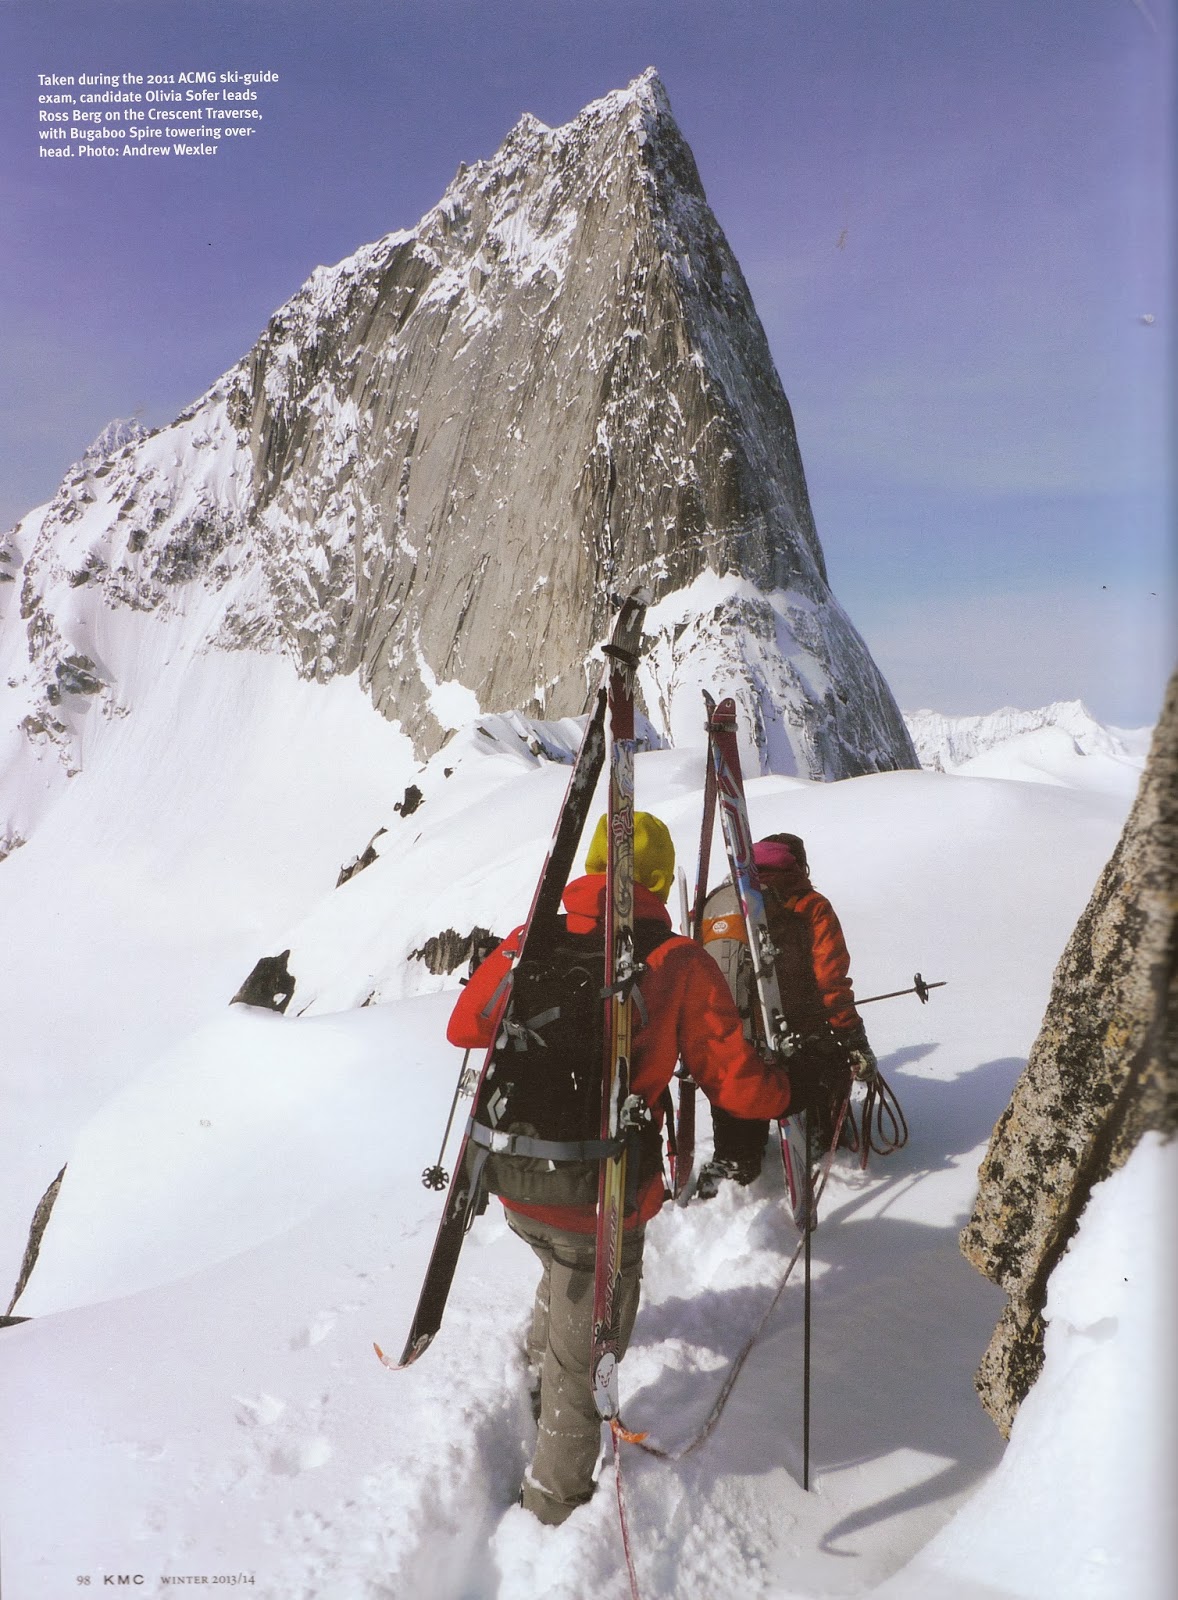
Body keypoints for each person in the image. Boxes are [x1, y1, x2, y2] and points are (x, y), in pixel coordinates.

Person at [446, 811, 795, 1526]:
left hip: (513, 1175)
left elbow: (465, 1026)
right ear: (661, 880)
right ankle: (553, 1505)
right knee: (588, 1354)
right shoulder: (676, 962)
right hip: (600, 1197)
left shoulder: (532, 937)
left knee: (559, 1271)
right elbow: (736, 1085)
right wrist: (795, 1085)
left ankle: (533, 1371)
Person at [695, 832, 876, 1199]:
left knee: (739, 1074)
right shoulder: (810, 904)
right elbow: (831, 979)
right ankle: (821, 1138)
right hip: (800, 1034)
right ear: (799, 864)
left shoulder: (722, 901)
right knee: (826, 1061)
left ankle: (737, 1157)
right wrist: (853, 1037)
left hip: (732, 1034)